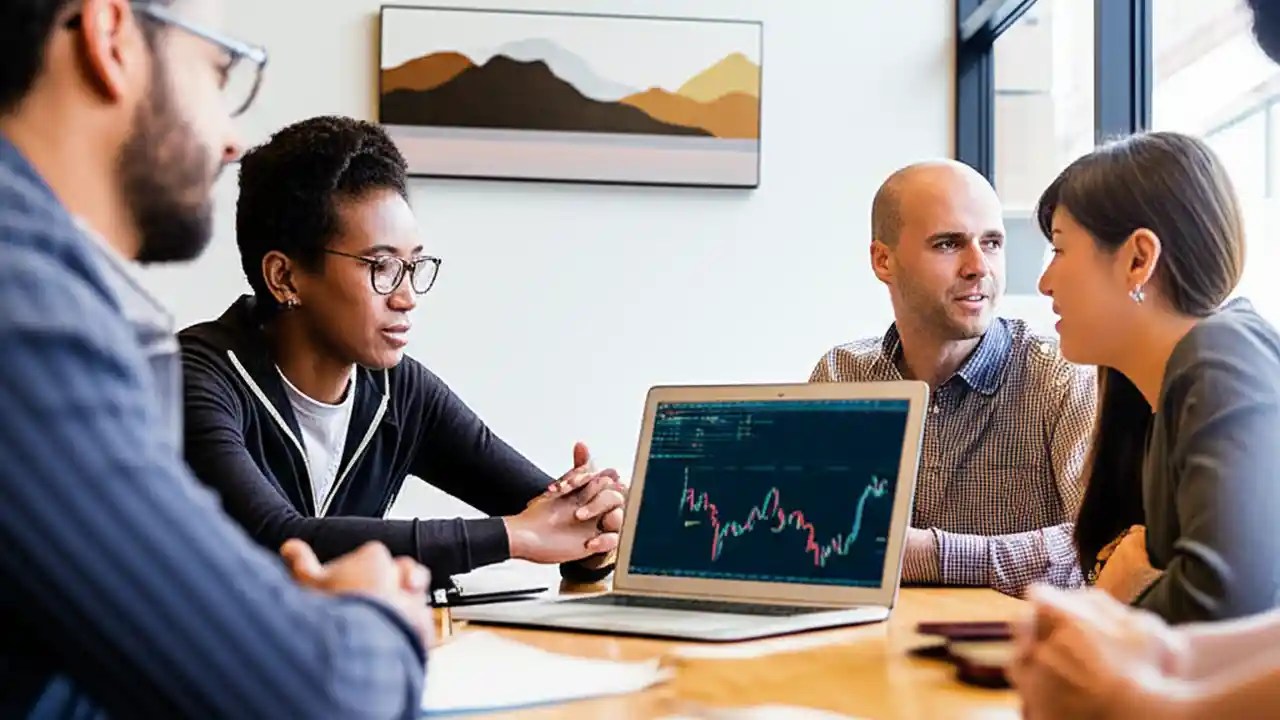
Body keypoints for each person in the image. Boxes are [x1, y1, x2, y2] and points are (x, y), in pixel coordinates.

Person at [0, 1, 432, 717]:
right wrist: (378, 616)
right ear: (111, 38)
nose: (232, 141)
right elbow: (322, 697)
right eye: (218, 68)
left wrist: (268, 622)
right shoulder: (30, 316)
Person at [178, 115, 627, 589]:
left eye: (413, 265)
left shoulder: (401, 391)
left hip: (335, 654)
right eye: (383, 266)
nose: (406, 296)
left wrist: (597, 529)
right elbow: (277, 537)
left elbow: (550, 521)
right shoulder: (196, 377)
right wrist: (512, 536)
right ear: (284, 278)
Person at [809, 159, 1097, 598]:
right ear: (883, 260)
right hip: (870, 644)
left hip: (1010, 655)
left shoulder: (1059, 377)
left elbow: (1099, 547)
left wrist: (930, 554)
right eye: (948, 244)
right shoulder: (841, 377)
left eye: (993, 243)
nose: (978, 266)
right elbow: (811, 537)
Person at [1036, 129, 1280, 624]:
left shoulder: (1221, 356)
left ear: (1138, 259)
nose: (1044, 282)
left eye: (1060, 250)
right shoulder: (1163, 388)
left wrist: (1108, 605)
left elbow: (1227, 602)